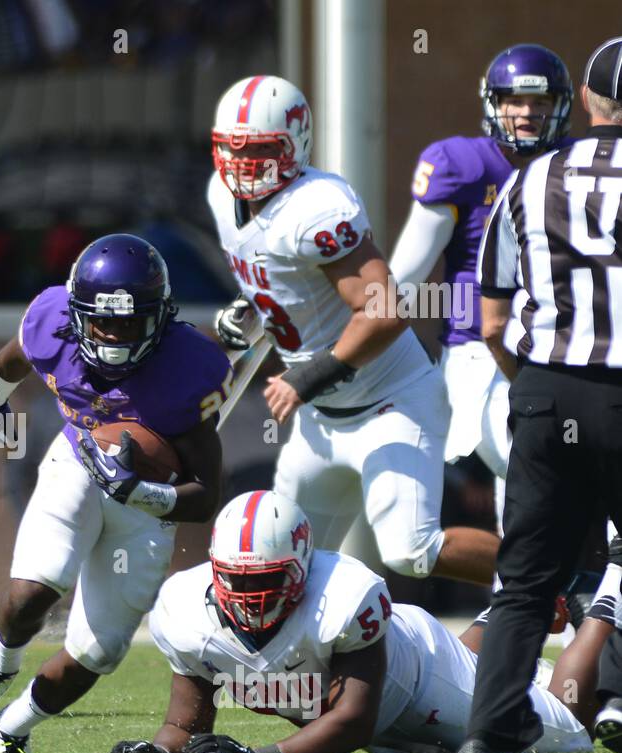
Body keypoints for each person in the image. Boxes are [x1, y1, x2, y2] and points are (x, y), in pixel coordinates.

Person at [0, 234, 231, 753]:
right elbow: (9, 361)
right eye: (103, 322)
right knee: (35, 589)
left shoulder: (187, 368)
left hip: (149, 508)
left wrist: (144, 494)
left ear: (161, 318)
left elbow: (207, 493)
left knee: (97, 652)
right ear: (77, 314)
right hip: (78, 461)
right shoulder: (50, 322)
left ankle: (12, 729)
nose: (117, 336)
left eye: (131, 322)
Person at [208, 75, 499, 588]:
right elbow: (286, 281)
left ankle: (558, 578)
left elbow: (385, 310)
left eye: (258, 151)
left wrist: (310, 374)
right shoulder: (221, 197)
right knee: (279, 564)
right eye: (231, 150)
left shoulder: (315, 206)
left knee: (411, 550)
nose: (241, 166)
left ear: (295, 145)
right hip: (322, 420)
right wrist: (252, 312)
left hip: (391, 402)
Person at [104, 491, 590, 753]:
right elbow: (186, 728)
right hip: (379, 725)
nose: (252, 596)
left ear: (301, 568)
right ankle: (509, 640)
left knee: (570, 733)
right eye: (239, 579)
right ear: (215, 570)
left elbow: (354, 719)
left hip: (423, 677)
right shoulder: (186, 611)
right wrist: (157, 752)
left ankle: (600, 595)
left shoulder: (343, 596)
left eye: (269, 579)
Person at [455, 37, 622, 753]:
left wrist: (538, 394)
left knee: (524, 583)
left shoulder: (527, 180)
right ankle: (613, 695)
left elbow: (490, 319)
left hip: (547, 393)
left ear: (585, 102)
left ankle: (481, 745)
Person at [389, 44, 572, 536]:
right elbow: (404, 277)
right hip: (480, 352)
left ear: (561, 105)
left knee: (530, 497)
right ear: (493, 103)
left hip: (561, 349)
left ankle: (524, 601)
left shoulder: (574, 164)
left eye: (540, 102)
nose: (528, 113)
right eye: (515, 100)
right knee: (541, 472)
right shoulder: (461, 164)